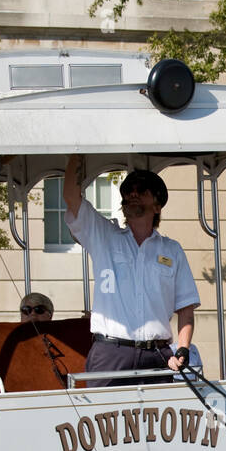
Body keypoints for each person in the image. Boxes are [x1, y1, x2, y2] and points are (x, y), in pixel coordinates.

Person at [63, 155, 199, 386]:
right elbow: (71, 197)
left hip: (157, 355)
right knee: (103, 420)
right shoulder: (103, 236)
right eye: (128, 191)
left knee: (158, 423)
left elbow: (186, 309)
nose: (132, 194)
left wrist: (183, 349)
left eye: (141, 190)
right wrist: (76, 153)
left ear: (157, 205)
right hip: (111, 354)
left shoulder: (172, 250)